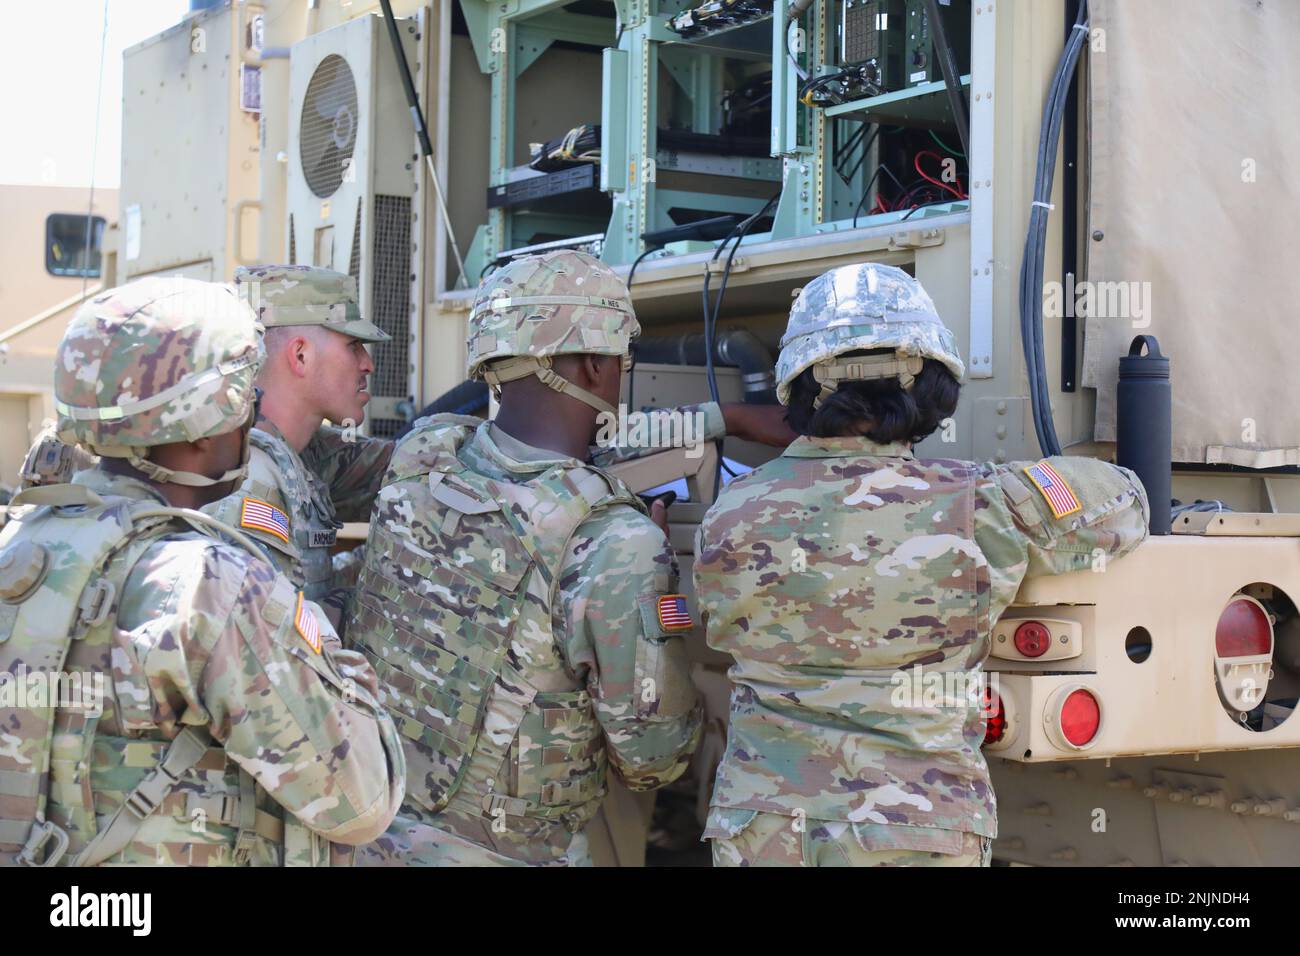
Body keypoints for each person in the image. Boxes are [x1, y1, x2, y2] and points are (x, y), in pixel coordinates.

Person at [694, 262, 1150, 867]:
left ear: (798, 391)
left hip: (761, 827)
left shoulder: (730, 513)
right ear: (932, 389)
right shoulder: (980, 507)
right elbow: (1123, 502)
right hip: (912, 830)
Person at [0, 276, 405, 867]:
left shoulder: (22, 544)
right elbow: (362, 800)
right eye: (244, 396)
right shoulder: (211, 583)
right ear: (212, 414)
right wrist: (334, 665)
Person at [349, 250, 734, 866]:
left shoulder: (426, 452)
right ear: (593, 362)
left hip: (374, 833)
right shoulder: (617, 543)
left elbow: (546, 461)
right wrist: (664, 593)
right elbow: (656, 755)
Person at [202, 266, 395, 626]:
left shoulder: (300, 449)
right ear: (301, 355)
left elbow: (403, 469)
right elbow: (262, 639)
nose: (367, 364)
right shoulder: (251, 480)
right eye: (353, 345)